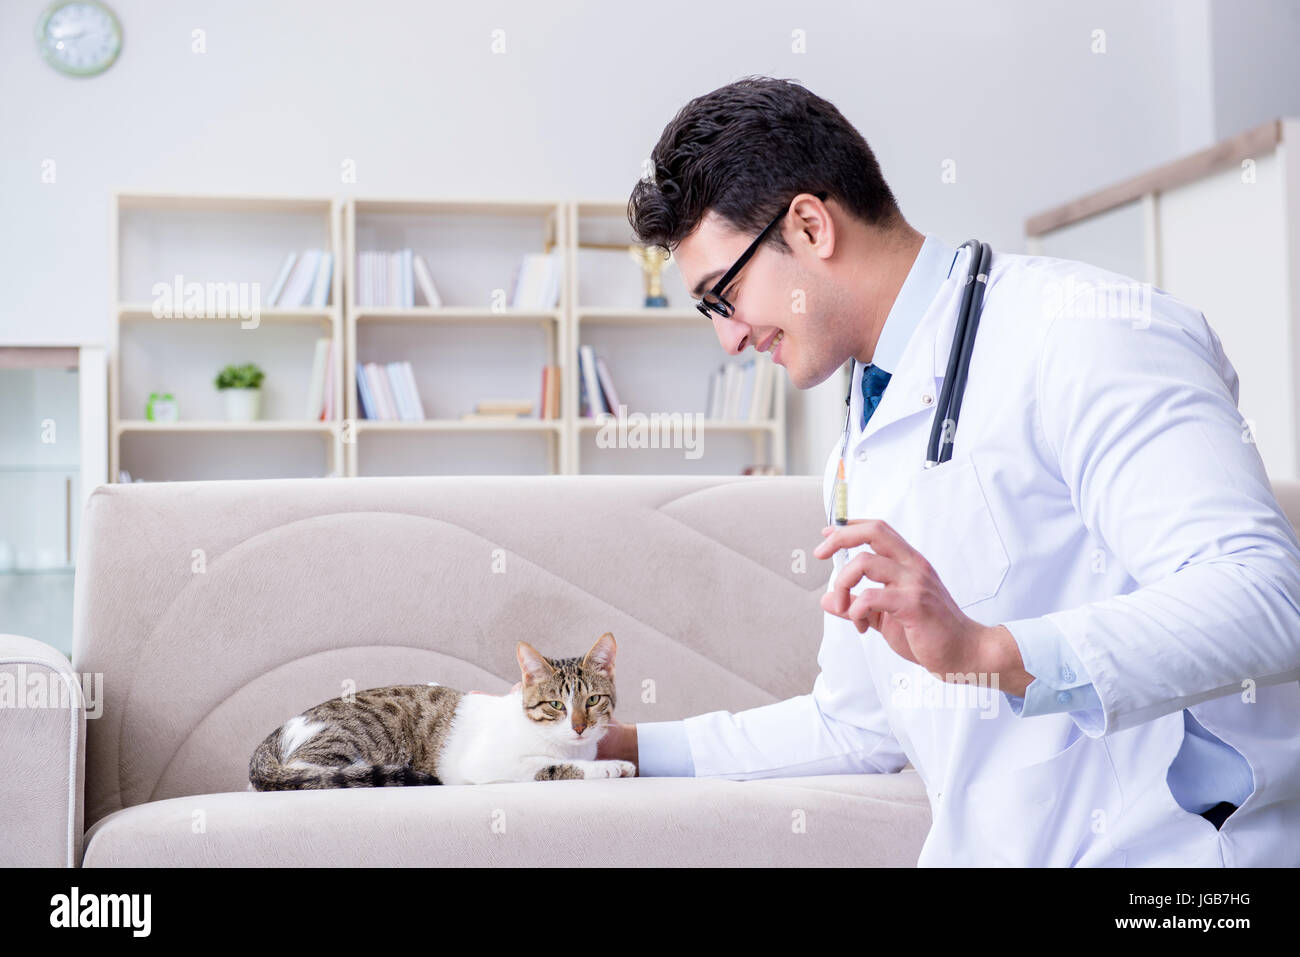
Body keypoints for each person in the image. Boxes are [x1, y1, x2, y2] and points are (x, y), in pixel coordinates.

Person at [597, 75, 1300, 866]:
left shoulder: (1085, 332)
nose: (727, 339)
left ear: (809, 224)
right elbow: (852, 723)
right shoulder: (856, 451)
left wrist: (988, 650)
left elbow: (1264, 596)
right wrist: (612, 744)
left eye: (722, 295)